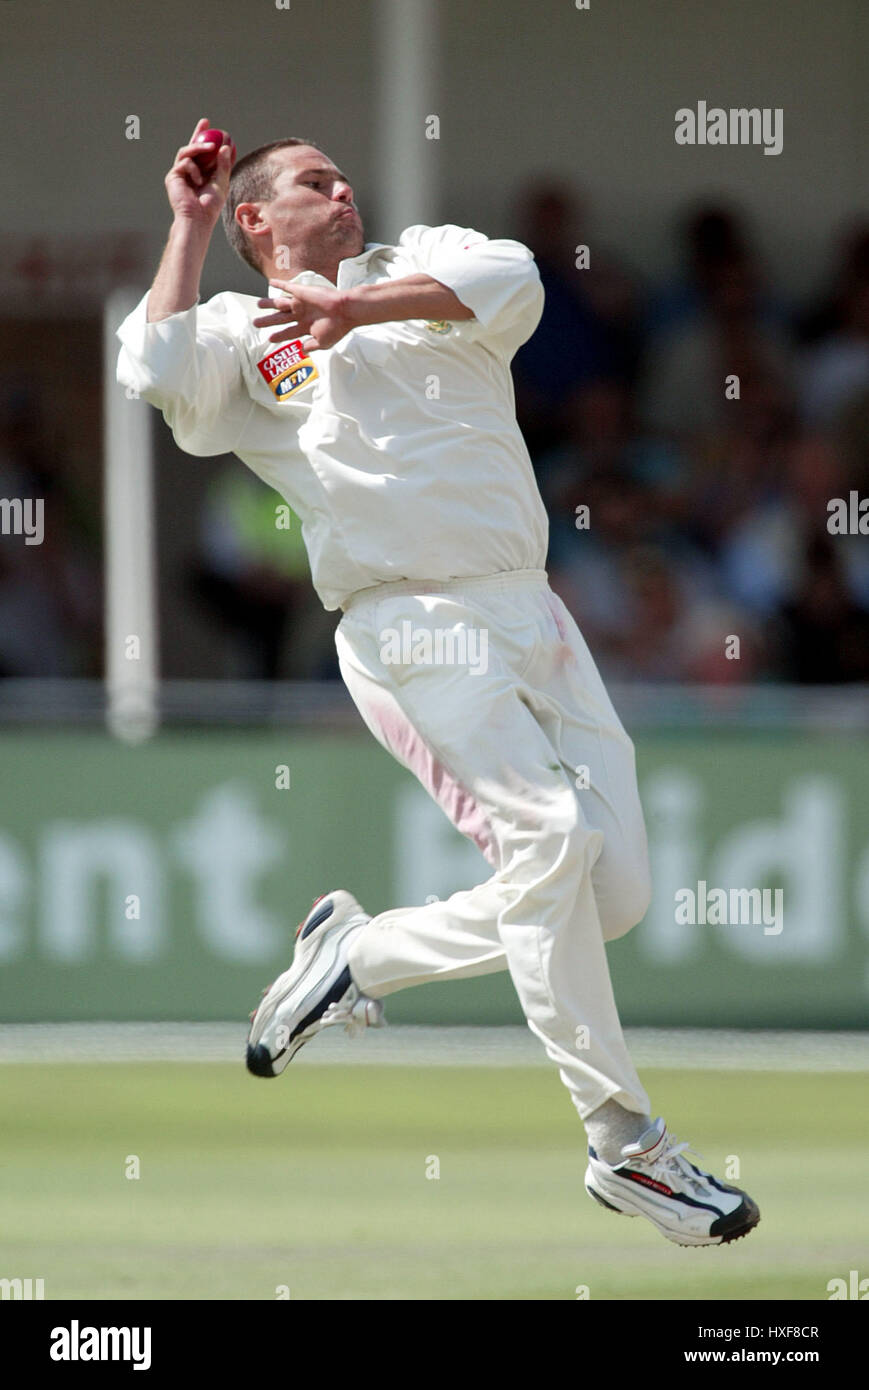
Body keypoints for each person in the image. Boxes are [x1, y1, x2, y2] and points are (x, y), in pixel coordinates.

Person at [116, 118, 760, 1248]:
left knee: (608, 896)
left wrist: (352, 307)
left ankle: (356, 958)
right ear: (258, 218)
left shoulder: (416, 263)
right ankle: (627, 1147)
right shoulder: (236, 329)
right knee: (548, 844)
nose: (344, 186)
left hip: (528, 603)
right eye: (316, 181)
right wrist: (188, 224)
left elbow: (511, 275)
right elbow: (148, 370)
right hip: (407, 615)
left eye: (342, 172)